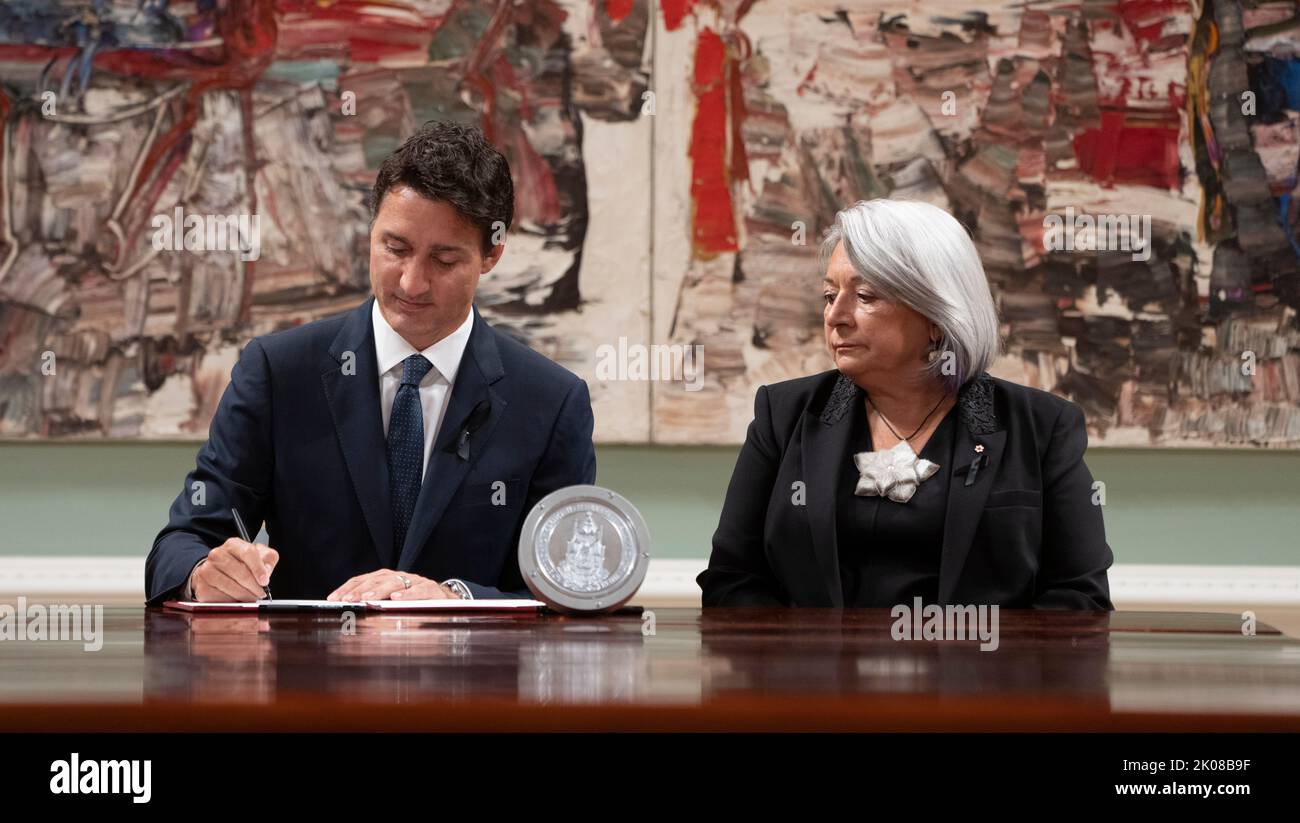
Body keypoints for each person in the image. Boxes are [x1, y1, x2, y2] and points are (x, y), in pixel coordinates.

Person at [145, 121, 596, 604]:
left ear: (492, 253)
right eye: (394, 248)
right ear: (370, 232)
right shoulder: (278, 372)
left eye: (444, 261)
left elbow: (570, 587)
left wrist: (456, 598)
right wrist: (203, 573)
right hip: (307, 675)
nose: (411, 282)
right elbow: (179, 544)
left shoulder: (551, 402)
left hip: (474, 675)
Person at [698, 198, 1113, 610]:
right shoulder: (784, 414)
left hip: (982, 673)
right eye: (829, 295)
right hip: (813, 674)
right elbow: (732, 579)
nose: (836, 316)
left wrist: (990, 670)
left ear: (936, 315)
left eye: (864, 295)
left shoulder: (1042, 427)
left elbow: (1079, 597)